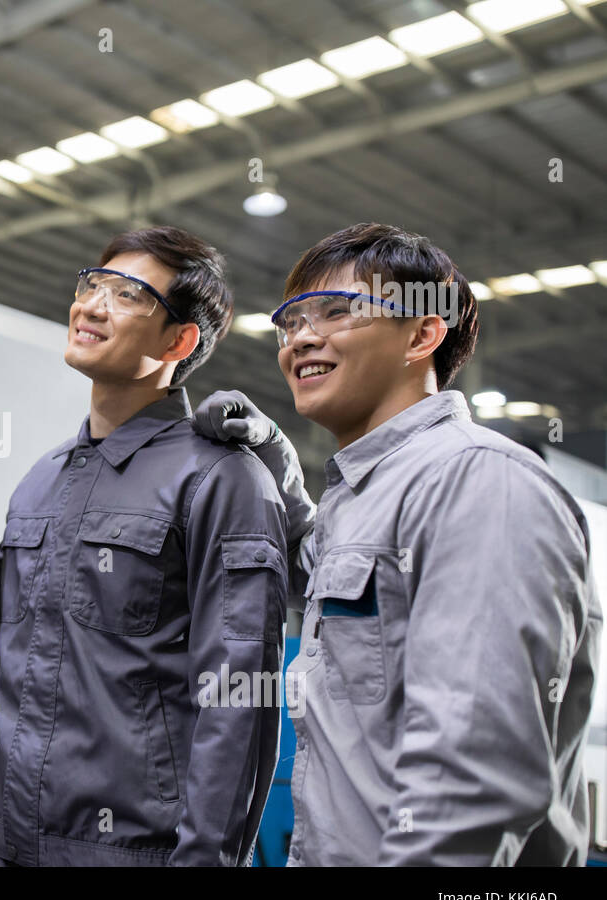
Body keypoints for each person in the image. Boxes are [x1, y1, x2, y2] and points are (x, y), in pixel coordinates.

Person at [193, 222, 601, 865]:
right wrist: (276, 460)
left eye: (337, 311)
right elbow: (326, 577)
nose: (302, 336)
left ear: (422, 333)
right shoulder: (361, 497)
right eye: (290, 322)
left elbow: (473, 783)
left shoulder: (477, 483)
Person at [0, 227, 288, 867]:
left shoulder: (222, 479)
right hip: (10, 845)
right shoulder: (42, 478)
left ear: (180, 340)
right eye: (92, 283)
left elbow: (238, 699)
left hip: (135, 854)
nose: (92, 304)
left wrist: (206, 860)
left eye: (128, 295)